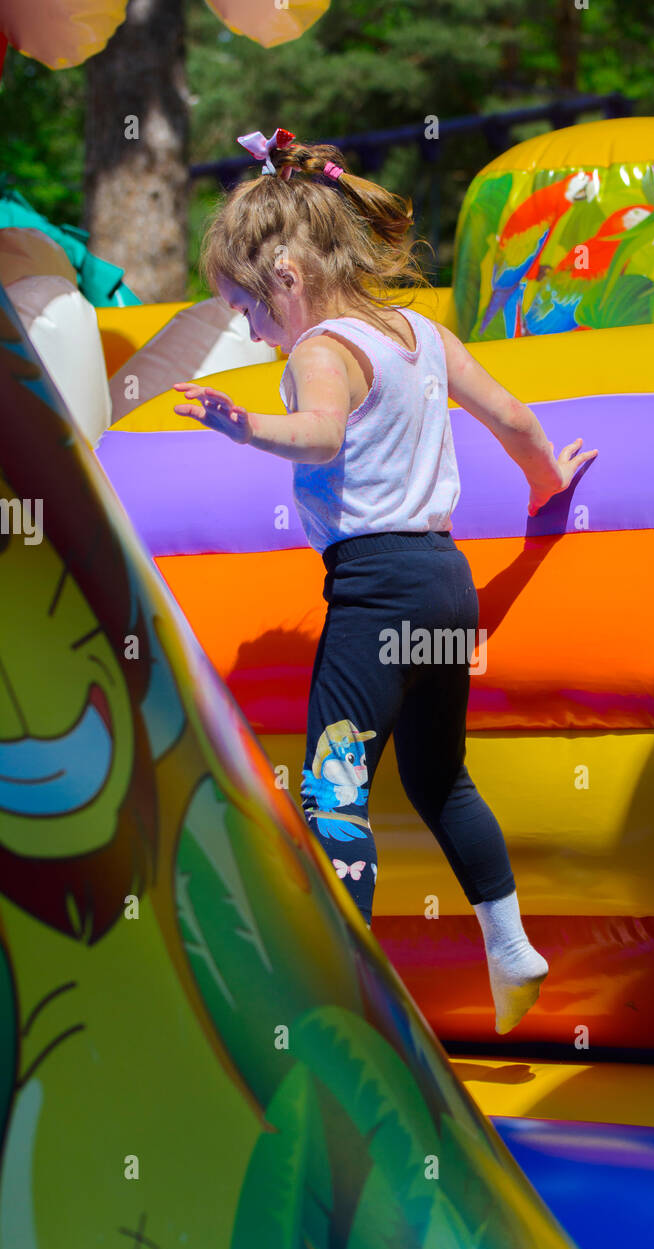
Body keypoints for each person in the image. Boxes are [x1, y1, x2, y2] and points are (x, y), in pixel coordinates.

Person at [174, 128, 598, 1034]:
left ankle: (343, 995)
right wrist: (548, 483)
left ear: (285, 275)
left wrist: (246, 427)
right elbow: (517, 418)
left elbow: (322, 435)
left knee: (334, 785)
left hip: (374, 583)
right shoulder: (423, 333)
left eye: (247, 307)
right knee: (440, 775)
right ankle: (511, 944)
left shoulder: (318, 349)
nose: (250, 328)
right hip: (447, 580)